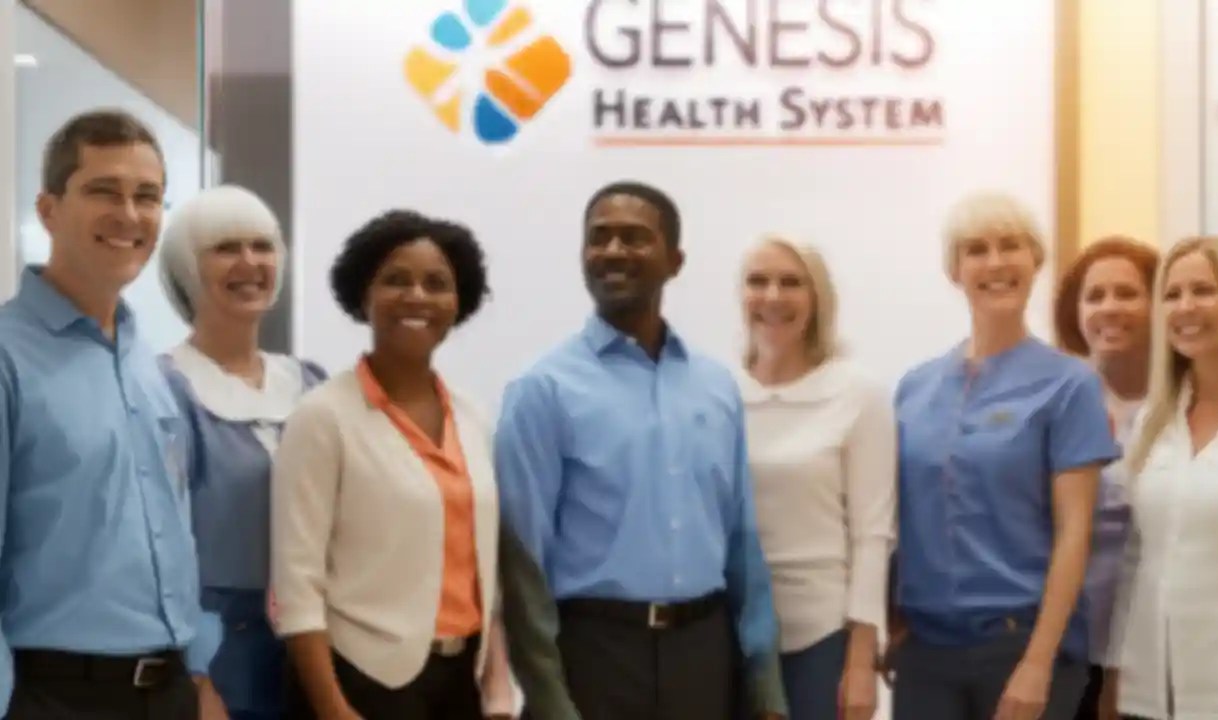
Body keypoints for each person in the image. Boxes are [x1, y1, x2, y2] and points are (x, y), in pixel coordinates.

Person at [495, 180, 786, 720]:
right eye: (598, 238)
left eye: (634, 238)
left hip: (703, 652)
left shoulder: (716, 386)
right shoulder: (542, 390)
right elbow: (521, 568)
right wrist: (548, 700)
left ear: (674, 260)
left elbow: (743, 545)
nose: (612, 251)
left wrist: (766, 689)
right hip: (595, 655)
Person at [0, 109, 225, 718]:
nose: (130, 215)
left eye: (147, 197)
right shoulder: (7, 359)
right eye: (104, 190)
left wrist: (198, 674)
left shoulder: (146, 364)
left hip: (171, 691)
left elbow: (174, 529)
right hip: (54, 697)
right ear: (48, 211)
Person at [270, 210, 516, 719]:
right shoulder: (322, 417)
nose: (417, 297)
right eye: (395, 280)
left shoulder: (473, 418)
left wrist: (497, 687)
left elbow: (485, 567)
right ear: (363, 294)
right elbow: (298, 586)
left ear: (459, 301)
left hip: (460, 681)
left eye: (437, 283)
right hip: (361, 679)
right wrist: (333, 709)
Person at [891, 192, 1118, 720]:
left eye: (1010, 245)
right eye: (976, 249)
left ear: (1035, 259)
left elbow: (1074, 533)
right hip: (925, 652)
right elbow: (899, 520)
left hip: (1021, 648)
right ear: (955, 270)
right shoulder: (914, 389)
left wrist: (1037, 663)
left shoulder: (1070, 385)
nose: (995, 263)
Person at [157, 185, 328, 719]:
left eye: (262, 245)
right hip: (221, 652)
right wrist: (198, 676)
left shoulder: (310, 381)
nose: (249, 262)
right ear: (188, 266)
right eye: (225, 247)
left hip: (312, 643)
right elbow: (161, 545)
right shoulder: (164, 387)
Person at [1106, 236, 1218, 720]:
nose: (1185, 307)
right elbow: (1137, 557)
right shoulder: (1153, 422)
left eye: (1203, 290)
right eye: (1172, 294)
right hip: (1156, 691)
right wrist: (1117, 673)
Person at [735, 236, 895, 720]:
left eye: (791, 282)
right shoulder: (718, 393)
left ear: (817, 297)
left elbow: (873, 534)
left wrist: (862, 660)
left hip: (822, 642)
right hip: (733, 638)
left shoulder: (857, 393)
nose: (773, 296)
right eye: (758, 281)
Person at [1052, 237, 1159, 720]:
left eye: (1127, 293)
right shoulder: (1053, 403)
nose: (1109, 308)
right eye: (1094, 297)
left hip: (1163, 653)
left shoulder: (1194, 407)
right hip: (1071, 650)